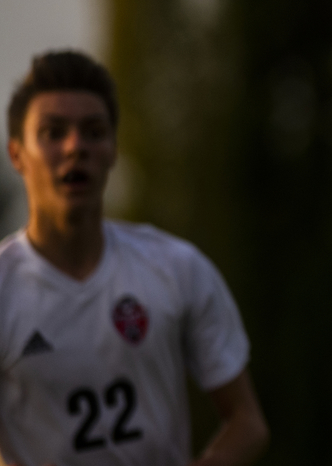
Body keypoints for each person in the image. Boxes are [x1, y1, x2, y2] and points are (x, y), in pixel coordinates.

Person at [0, 51, 268, 466]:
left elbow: (248, 422)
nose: (75, 147)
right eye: (53, 133)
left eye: (93, 132)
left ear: (112, 150)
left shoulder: (177, 268)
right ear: (17, 154)